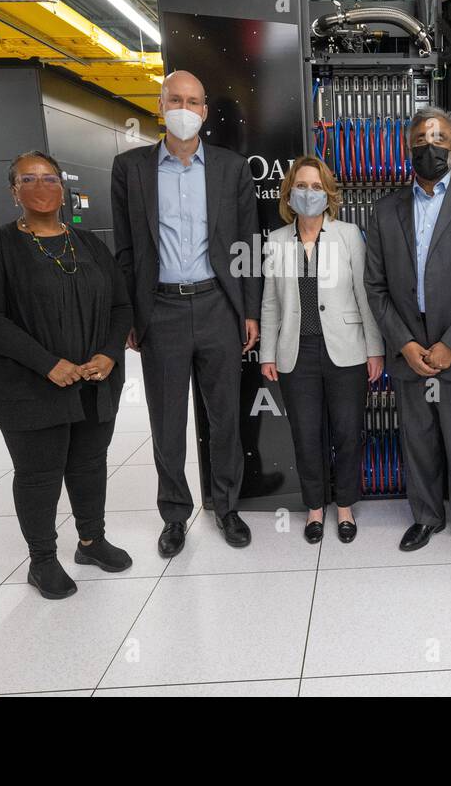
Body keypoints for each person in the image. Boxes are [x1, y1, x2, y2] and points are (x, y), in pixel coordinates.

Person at [0, 151, 134, 600]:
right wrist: (46, 363)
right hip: (28, 384)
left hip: (94, 381)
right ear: (13, 190)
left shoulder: (89, 242)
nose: (42, 187)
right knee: (39, 473)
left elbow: (120, 304)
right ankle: (42, 560)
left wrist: (109, 353)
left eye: (50, 178)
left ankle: (92, 542)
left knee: (90, 464)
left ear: (63, 187)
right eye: (29, 179)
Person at [111, 70, 262, 557]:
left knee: (225, 419)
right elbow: (126, 249)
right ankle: (174, 515)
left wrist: (250, 311)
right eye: (175, 98)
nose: (184, 107)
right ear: (161, 106)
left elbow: (247, 246)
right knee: (167, 422)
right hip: (160, 309)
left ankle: (227, 507)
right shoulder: (130, 168)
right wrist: (130, 315)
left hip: (218, 304)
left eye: (193, 100)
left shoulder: (230, 168)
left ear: (203, 111)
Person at [364, 107, 451, 560]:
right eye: (421, 142)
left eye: (440, 140)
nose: (430, 148)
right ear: (408, 149)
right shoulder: (385, 210)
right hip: (409, 348)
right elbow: (376, 285)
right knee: (418, 439)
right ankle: (426, 516)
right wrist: (405, 344)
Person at [260, 156, 384, 544]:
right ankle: (315, 507)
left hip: (346, 351)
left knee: (347, 432)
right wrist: (266, 353)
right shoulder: (278, 240)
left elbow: (365, 295)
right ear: (289, 193)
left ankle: (344, 506)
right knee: (306, 434)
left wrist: (374, 349)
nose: (308, 193)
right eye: (301, 186)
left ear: (328, 193)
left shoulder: (348, 235)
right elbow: (270, 303)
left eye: (316, 187)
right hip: (297, 353)